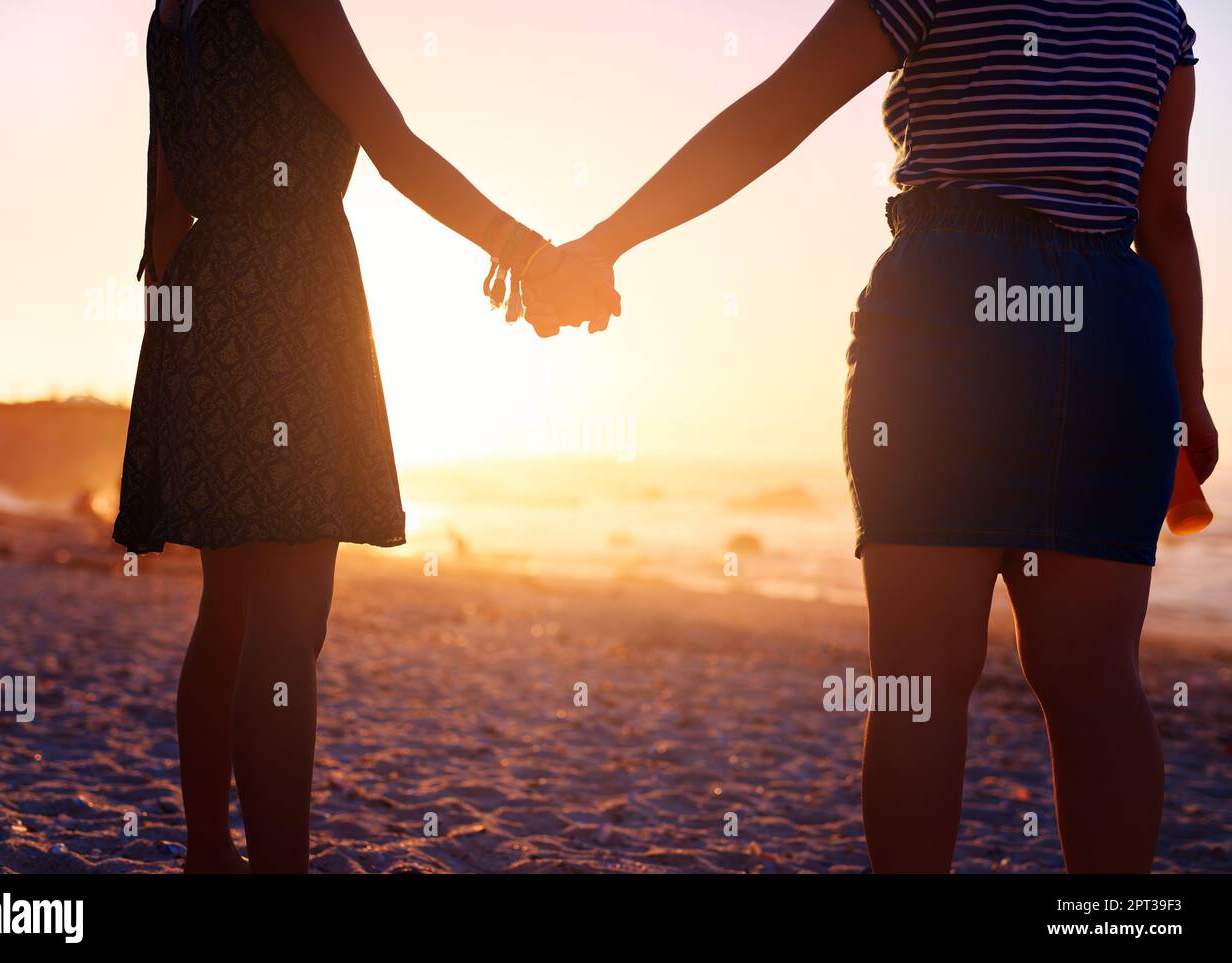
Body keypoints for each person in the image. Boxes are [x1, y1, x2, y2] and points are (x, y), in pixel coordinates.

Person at [555, 0, 1216, 872]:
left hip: (948, 307)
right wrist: (1190, 390)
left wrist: (605, 242)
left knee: (919, 683)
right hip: (1113, 332)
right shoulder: (1158, 12)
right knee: (1096, 682)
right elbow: (1161, 217)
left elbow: (777, 111)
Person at [114, 0, 618, 873]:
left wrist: (174, 342)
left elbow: (163, 206)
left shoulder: (172, 11)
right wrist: (525, 249)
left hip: (200, 299)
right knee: (286, 622)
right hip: (293, 302)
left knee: (226, 609)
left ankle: (207, 852)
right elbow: (396, 149)